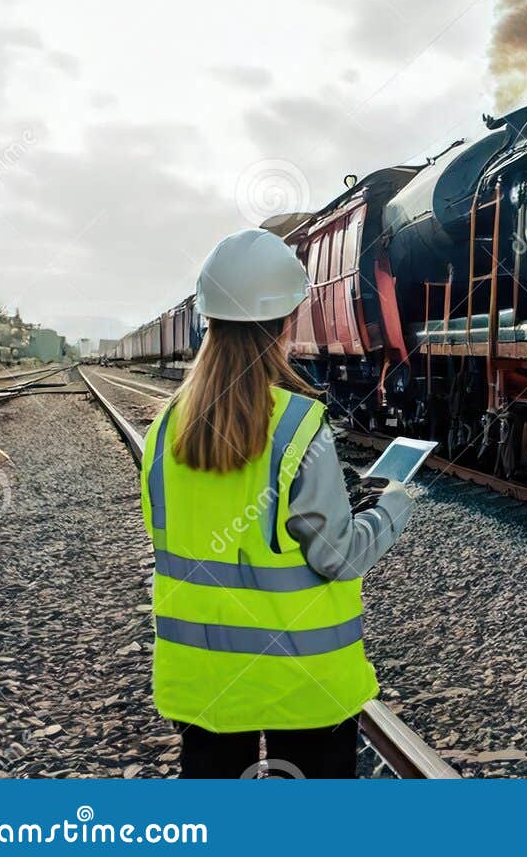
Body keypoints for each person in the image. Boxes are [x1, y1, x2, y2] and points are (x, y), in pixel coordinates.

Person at [141, 228, 412, 778]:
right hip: (304, 683)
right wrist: (395, 507)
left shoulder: (164, 428)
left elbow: (167, 537)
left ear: (207, 320)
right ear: (288, 323)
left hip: (204, 684)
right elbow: (338, 556)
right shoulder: (298, 425)